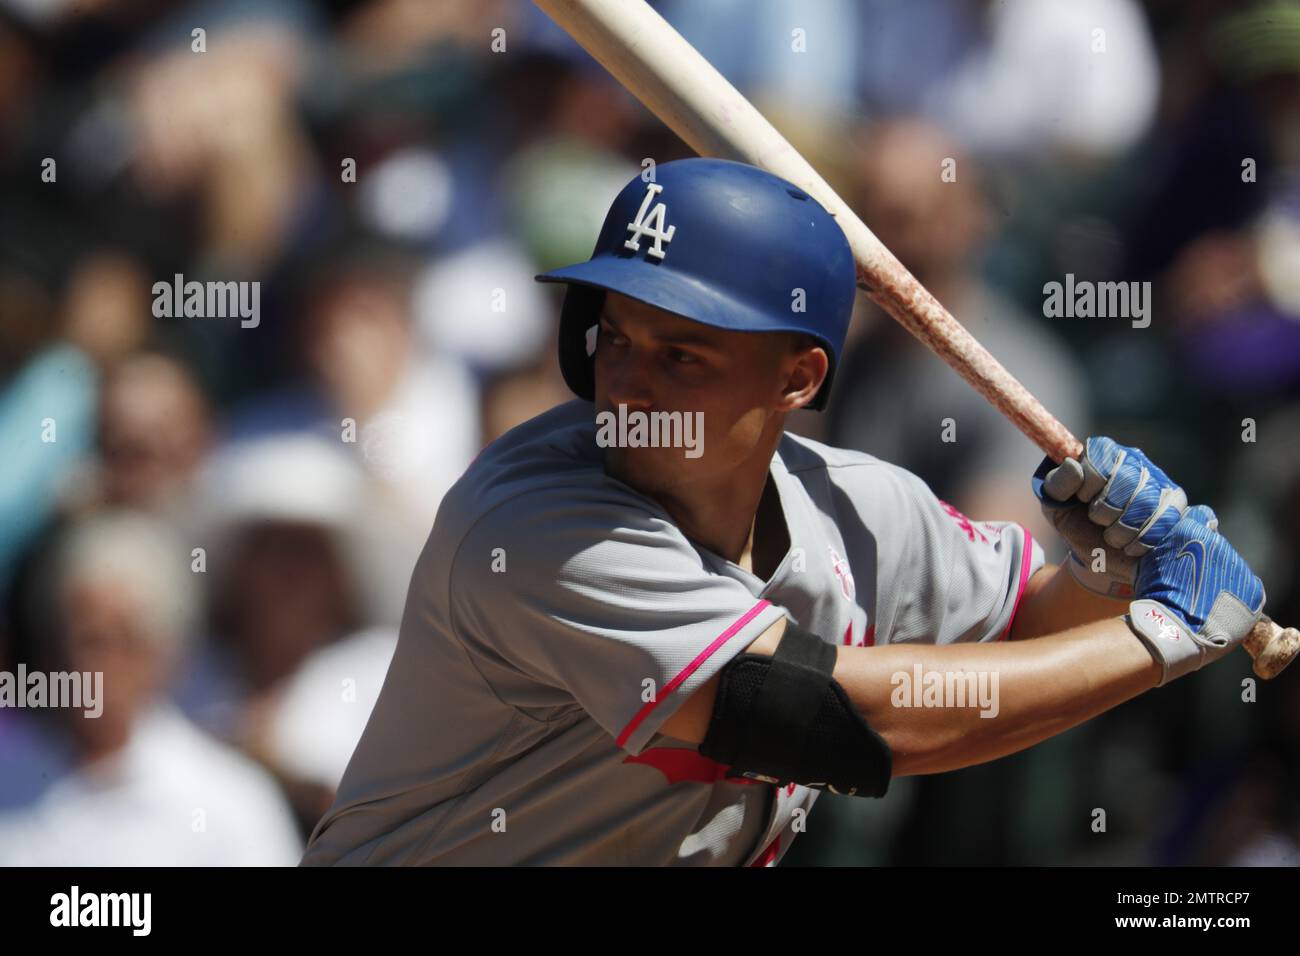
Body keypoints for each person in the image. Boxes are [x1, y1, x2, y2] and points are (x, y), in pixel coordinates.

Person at [301, 158, 1266, 866]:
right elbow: (820, 716)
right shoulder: (534, 526)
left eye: (682, 354)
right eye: (616, 336)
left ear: (799, 376)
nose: (629, 384)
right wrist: (1160, 638)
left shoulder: (856, 507)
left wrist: (1115, 575)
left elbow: (1023, 636)